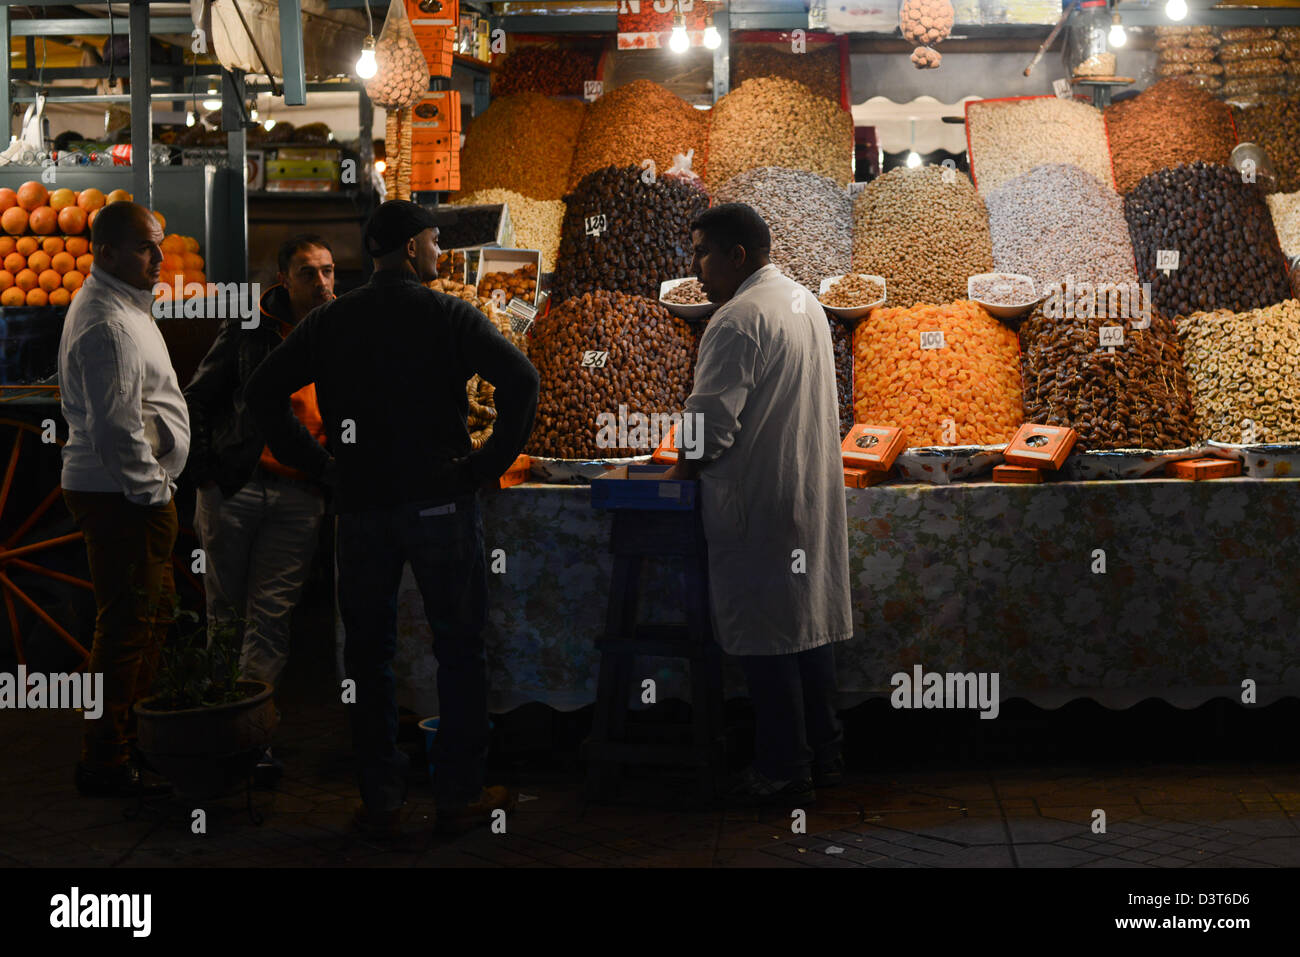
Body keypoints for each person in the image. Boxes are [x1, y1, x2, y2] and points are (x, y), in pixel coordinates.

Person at [244, 200, 540, 838]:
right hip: (441, 502)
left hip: (362, 508)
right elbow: (520, 379)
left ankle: (381, 801)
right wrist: (489, 462)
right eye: (435, 241)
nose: (439, 252)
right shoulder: (447, 314)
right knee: (459, 647)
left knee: (369, 658)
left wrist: (320, 464)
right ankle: (460, 795)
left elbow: (262, 394)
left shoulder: (331, 321)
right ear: (411, 249)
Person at [665, 203, 853, 805]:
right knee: (808, 626)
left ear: (736, 255)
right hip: (804, 491)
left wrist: (674, 473)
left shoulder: (735, 319)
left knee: (772, 636)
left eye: (702, 253)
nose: (696, 268)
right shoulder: (805, 305)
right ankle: (826, 755)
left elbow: (709, 427)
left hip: (761, 502)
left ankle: (781, 765)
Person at [182, 235, 337, 785]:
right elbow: (198, 396)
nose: (321, 284)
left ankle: (252, 739)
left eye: (327, 271)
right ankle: (216, 732)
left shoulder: (340, 332)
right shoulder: (251, 327)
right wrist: (204, 469)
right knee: (226, 612)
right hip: (238, 484)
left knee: (271, 617)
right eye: (307, 273)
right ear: (283, 279)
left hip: (300, 494)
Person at [59, 201, 190, 797]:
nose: (159, 258)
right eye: (145, 248)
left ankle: (134, 740)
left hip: (129, 495)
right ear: (105, 253)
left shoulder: (126, 305)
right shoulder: (107, 322)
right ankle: (105, 759)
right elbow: (116, 432)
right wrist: (153, 494)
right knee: (126, 629)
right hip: (123, 498)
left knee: (147, 621)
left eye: (159, 245)